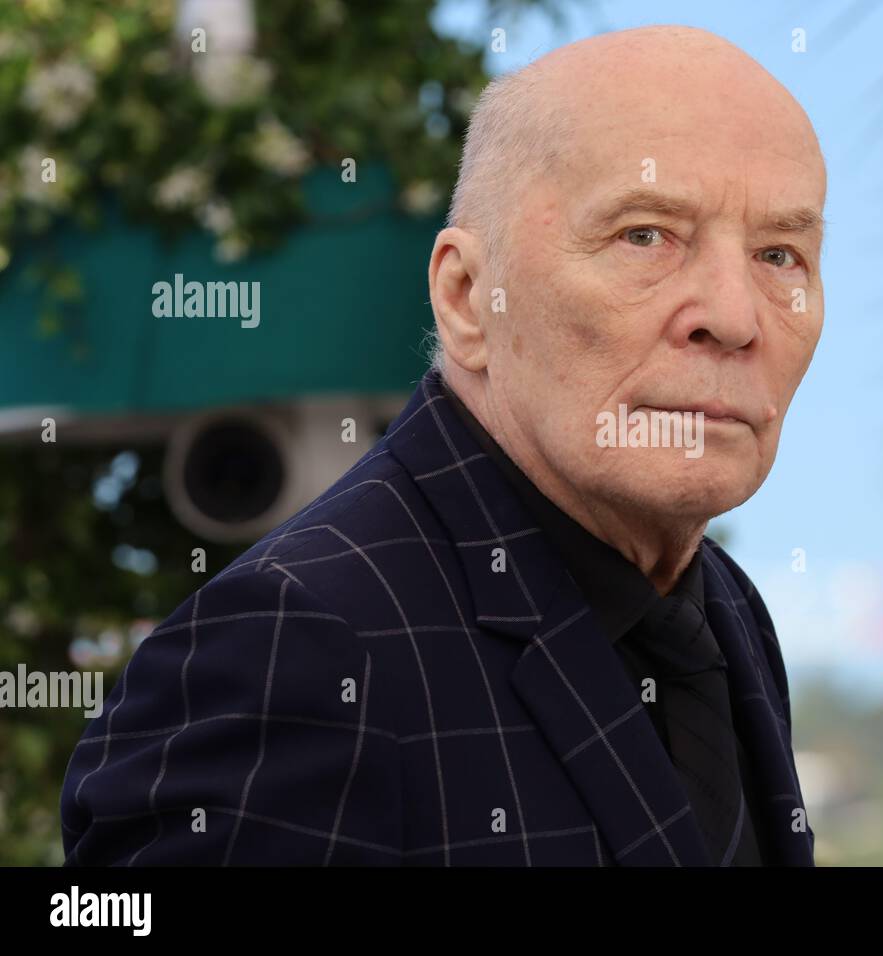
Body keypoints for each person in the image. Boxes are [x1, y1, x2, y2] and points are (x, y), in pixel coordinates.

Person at [62, 23, 827, 866]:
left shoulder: (721, 607)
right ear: (467, 299)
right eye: (644, 235)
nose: (735, 315)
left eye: (780, 254)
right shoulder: (292, 650)